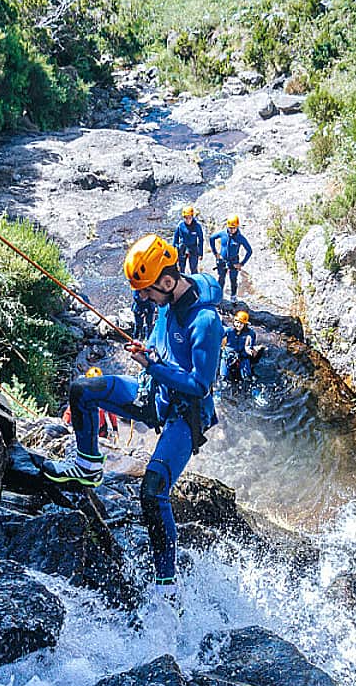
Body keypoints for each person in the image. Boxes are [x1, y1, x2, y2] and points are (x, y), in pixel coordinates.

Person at [43, 234, 224, 602]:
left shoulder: (205, 322)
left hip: (184, 414)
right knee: (83, 391)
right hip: (153, 394)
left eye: (146, 291)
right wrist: (149, 352)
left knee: (153, 490)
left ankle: (166, 583)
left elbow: (200, 385)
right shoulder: (166, 302)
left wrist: (154, 365)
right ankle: (88, 465)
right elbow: (164, 344)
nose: (142, 298)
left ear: (168, 281)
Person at [61, 367, 119, 440]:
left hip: (100, 431)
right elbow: (70, 411)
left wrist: (115, 429)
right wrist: (65, 424)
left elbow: (112, 412)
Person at [209, 214, 253, 302]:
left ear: (237, 227)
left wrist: (241, 263)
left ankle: (233, 296)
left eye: (234, 228)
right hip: (222, 261)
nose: (232, 230)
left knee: (233, 280)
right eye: (230, 228)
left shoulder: (240, 238)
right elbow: (211, 238)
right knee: (221, 279)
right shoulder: (223, 233)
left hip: (233, 262)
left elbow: (249, 251)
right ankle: (219, 297)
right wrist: (215, 253)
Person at [220, 310, 261, 382]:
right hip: (228, 356)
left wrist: (249, 350)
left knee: (247, 378)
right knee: (223, 377)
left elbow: (250, 345)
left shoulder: (250, 333)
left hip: (242, 357)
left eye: (241, 323)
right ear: (234, 322)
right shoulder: (228, 331)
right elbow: (218, 337)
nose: (238, 325)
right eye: (237, 322)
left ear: (245, 324)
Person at [172, 205, 204, 274]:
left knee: (193, 268)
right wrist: (174, 252)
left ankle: (195, 282)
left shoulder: (197, 226)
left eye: (190, 217)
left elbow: (201, 239)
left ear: (192, 216)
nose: (188, 220)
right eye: (186, 218)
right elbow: (175, 239)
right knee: (181, 268)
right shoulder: (180, 225)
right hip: (182, 248)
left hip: (193, 248)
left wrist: (201, 253)